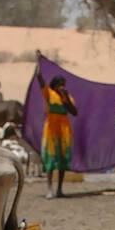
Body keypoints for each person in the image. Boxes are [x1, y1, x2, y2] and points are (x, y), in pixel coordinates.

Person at [35, 56, 77, 198]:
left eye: (64, 84)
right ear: (55, 84)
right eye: (60, 84)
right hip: (51, 130)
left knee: (62, 160)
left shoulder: (67, 97)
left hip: (64, 130)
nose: (62, 87)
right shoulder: (49, 93)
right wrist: (38, 65)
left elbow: (74, 112)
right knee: (50, 159)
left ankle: (60, 189)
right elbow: (40, 81)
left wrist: (66, 100)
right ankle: (49, 190)